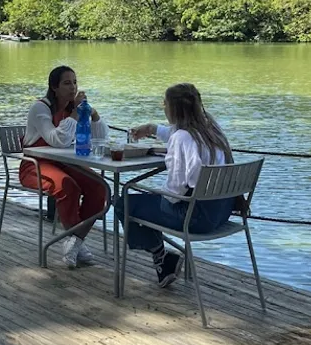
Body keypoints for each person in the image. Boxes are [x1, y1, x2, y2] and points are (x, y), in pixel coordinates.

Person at [121, 83, 235, 288]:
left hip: (194, 218)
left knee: (124, 200)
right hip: (221, 212)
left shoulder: (182, 138)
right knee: (146, 203)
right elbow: (182, 138)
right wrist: (152, 129)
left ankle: (160, 256)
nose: (162, 107)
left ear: (172, 108)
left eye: (164, 104)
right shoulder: (212, 129)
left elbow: (176, 191)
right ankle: (163, 261)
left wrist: (153, 193)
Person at [20, 65, 110, 268]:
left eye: (75, 82)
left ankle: (75, 240)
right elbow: (56, 140)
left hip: (66, 162)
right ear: (54, 87)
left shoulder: (73, 108)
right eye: (67, 83)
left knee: (99, 187)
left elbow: (101, 138)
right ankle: (74, 241)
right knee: (67, 186)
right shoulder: (40, 108)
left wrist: (93, 114)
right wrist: (76, 115)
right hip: (35, 165)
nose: (73, 88)